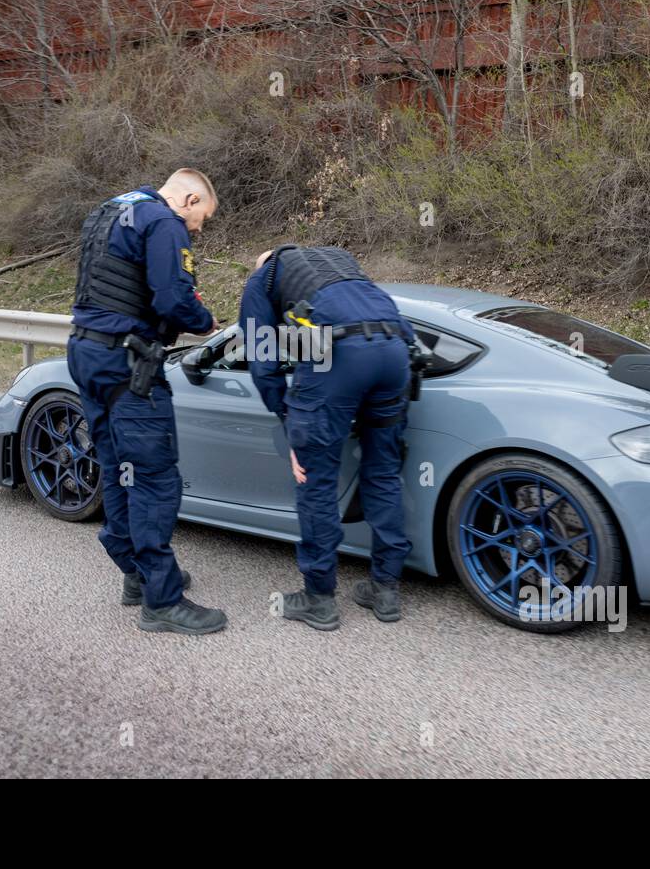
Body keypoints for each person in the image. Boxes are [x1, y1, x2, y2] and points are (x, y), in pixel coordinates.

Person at [68, 169, 226, 635]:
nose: (197, 229)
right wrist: (205, 320)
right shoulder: (164, 221)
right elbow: (172, 299)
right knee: (155, 478)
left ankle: (137, 575)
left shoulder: (108, 211)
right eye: (201, 218)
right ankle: (163, 600)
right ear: (190, 198)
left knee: (119, 467)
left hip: (87, 353)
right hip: (129, 365)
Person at [240, 245, 416, 631]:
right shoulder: (339, 261)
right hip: (395, 351)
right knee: (384, 473)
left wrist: (289, 420)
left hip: (337, 355)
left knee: (315, 480)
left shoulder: (262, 278)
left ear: (264, 263)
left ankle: (319, 598)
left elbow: (261, 355)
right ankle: (385, 589)